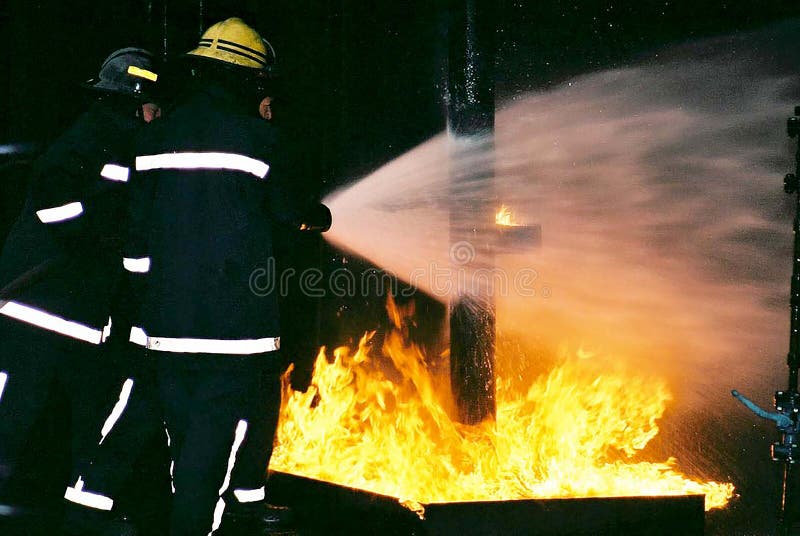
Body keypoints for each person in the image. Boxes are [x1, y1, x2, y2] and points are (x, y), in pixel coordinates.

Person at [124, 17, 331, 536]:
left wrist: (148, 302)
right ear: (248, 79)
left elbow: (135, 238)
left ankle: (237, 509)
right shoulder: (259, 139)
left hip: (166, 330)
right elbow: (288, 217)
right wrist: (315, 217)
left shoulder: (155, 137)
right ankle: (218, 521)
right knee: (215, 454)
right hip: (236, 335)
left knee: (187, 446)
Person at [0, 47, 162, 535]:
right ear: (135, 102)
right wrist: (98, 235)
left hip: (79, 318)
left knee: (77, 413)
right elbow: (54, 205)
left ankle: (85, 513)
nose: (159, 115)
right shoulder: (92, 138)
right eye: (153, 106)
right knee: (15, 413)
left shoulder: (121, 142)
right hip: (37, 311)